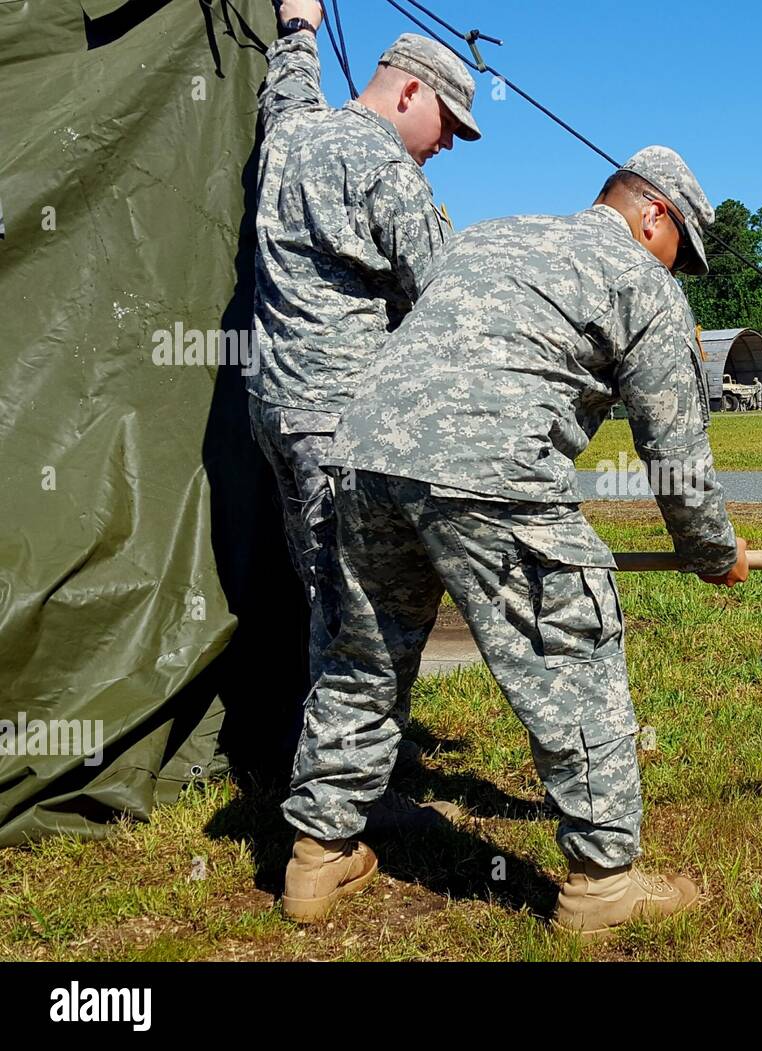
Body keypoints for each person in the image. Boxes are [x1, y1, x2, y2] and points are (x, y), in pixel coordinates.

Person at [279, 146, 750, 935]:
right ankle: (603, 882)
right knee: (573, 652)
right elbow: (675, 454)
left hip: (362, 455)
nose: (681, 271)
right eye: (683, 253)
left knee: (362, 654)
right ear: (653, 214)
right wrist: (712, 552)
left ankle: (317, 855)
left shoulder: (486, 238)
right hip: (487, 469)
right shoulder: (641, 281)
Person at [249, 2, 480, 805]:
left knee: (323, 593)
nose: (446, 143)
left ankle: (319, 774)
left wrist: (299, 27)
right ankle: (344, 804)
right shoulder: (387, 170)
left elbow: (287, 89)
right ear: (410, 92)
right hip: (343, 421)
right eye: (448, 123)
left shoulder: (292, 136)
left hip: (277, 411)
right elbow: (444, 303)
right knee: (361, 614)